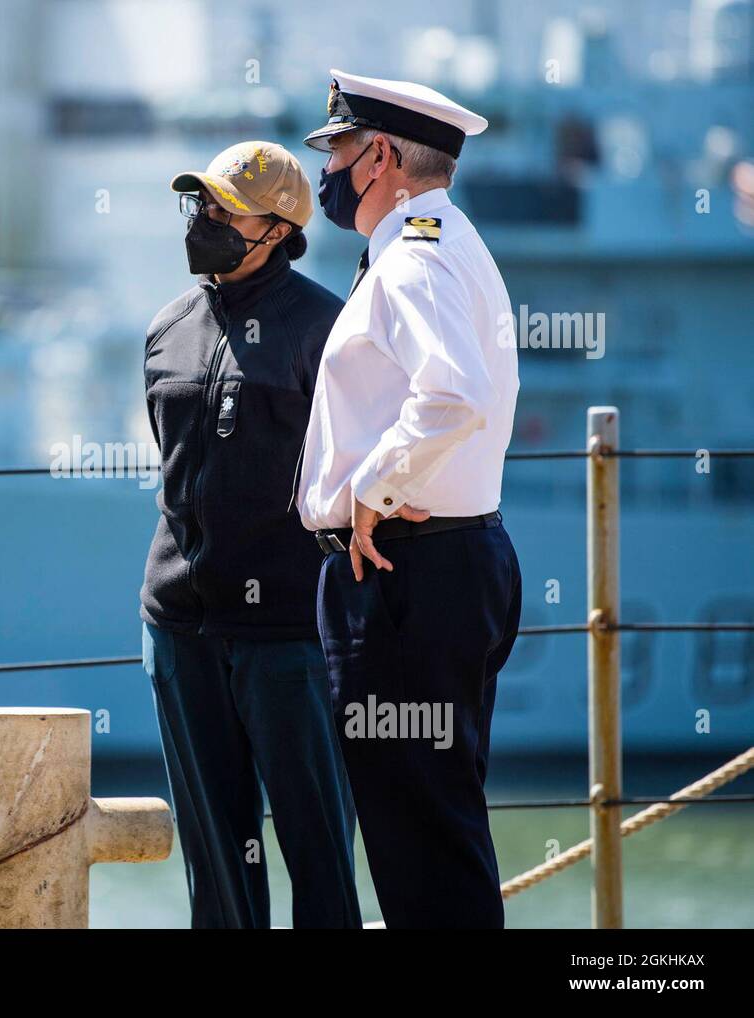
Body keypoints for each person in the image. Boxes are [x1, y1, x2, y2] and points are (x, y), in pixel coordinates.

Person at [295, 69, 523, 928]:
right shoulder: (449, 241)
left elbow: (453, 393)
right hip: (450, 562)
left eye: (339, 149)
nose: (329, 169)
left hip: (402, 576)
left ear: (380, 154)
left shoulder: (412, 257)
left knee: (416, 832)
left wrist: (369, 491)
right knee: (437, 818)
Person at [141, 141, 360, 929]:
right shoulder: (167, 327)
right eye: (197, 203)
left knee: (319, 855)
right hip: (180, 628)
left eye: (223, 208)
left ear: (276, 229)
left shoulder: (327, 327)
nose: (203, 219)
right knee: (216, 863)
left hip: (290, 633)